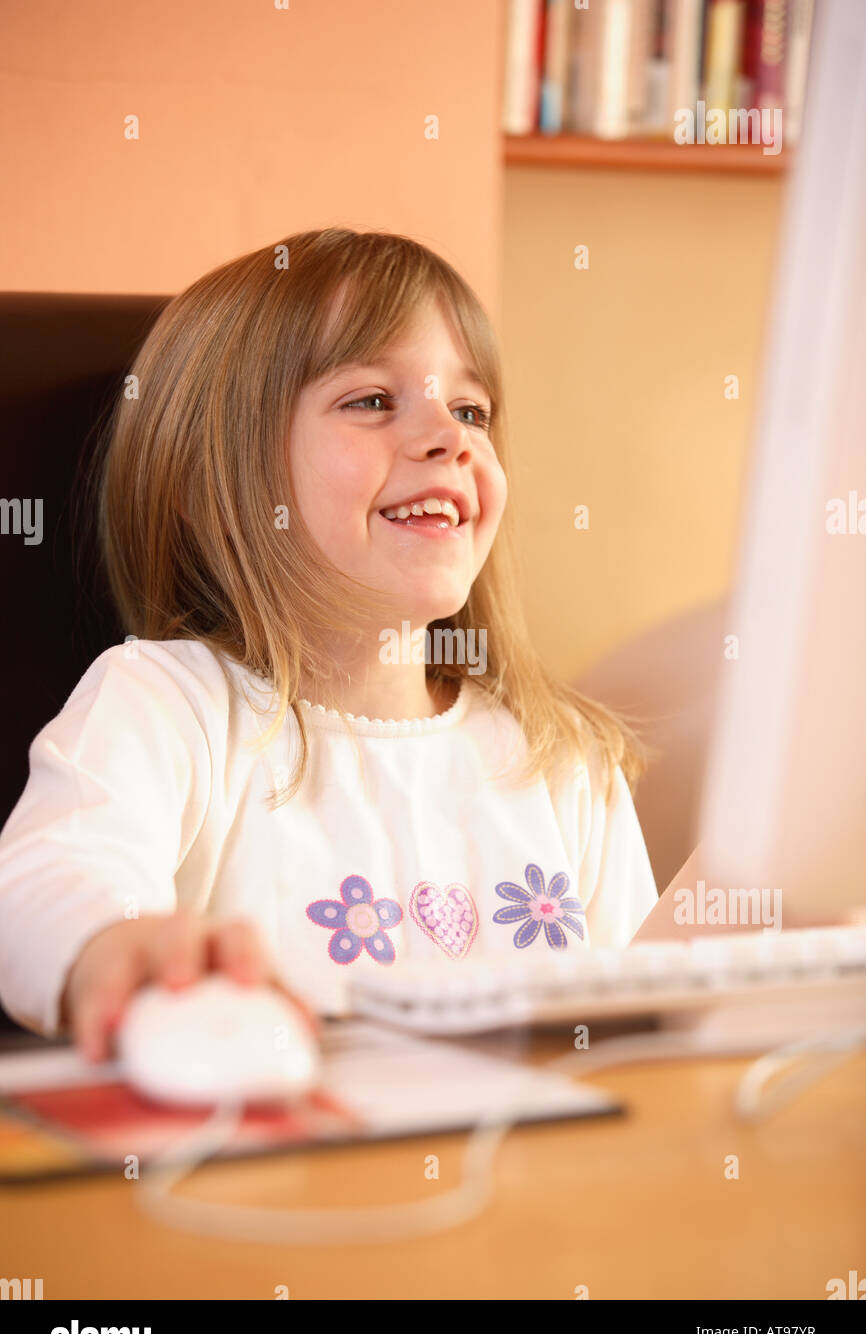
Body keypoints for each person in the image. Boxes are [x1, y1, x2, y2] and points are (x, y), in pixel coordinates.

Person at [0, 227, 658, 1062]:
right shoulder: (164, 704)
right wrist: (111, 950)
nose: (450, 438)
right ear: (212, 484)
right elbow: (40, 883)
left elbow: (636, 1037)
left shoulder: (566, 759)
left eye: (470, 410)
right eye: (373, 401)